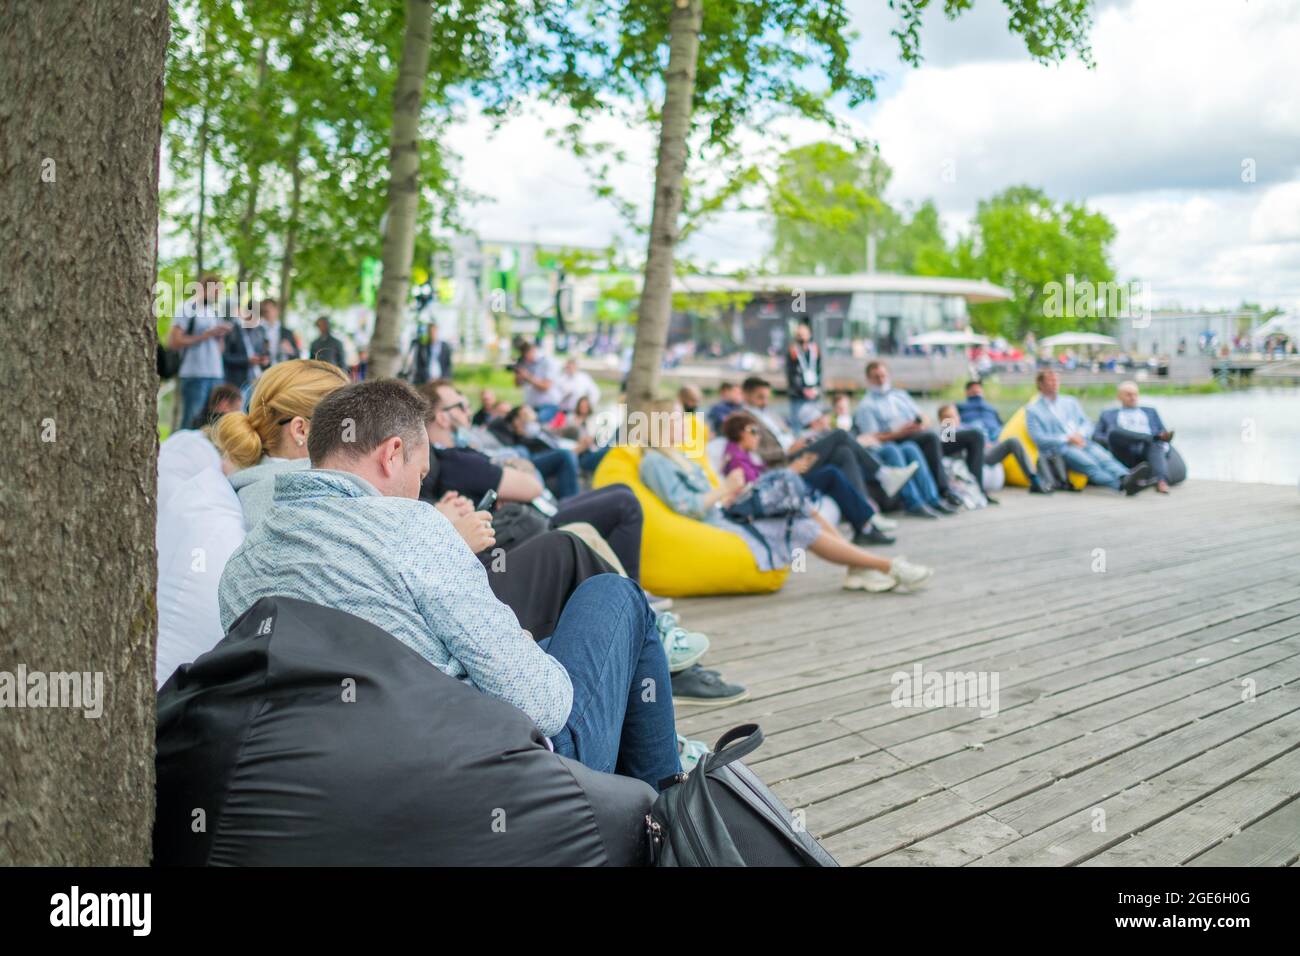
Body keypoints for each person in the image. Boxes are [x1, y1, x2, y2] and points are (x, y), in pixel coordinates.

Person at [218, 379, 683, 789]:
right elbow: (544, 706)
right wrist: (523, 653)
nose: (420, 490)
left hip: (340, 781)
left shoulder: (241, 566)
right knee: (616, 598)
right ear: (391, 453)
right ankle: (669, 822)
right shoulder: (411, 526)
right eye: (421, 475)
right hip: (485, 783)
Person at [420, 380, 746, 708]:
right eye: (460, 406)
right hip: (522, 530)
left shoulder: (456, 457)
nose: (468, 410)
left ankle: (650, 630)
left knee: (590, 522)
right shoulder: (453, 461)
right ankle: (649, 634)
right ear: (441, 418)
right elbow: (530, 487)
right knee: (581, 531)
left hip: (522, 526)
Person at [640, 400, 931, 594]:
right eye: (678, 419)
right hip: (721, 524)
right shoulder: (655, 462)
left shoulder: (680, 457)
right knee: (800, 522)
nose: (685, 424)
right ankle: (886, 566)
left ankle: (860, 565)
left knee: (801, 506)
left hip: (729, 510)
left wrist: (727, 492)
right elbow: (687, 507)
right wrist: (725, 489)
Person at [742, 376, 919, 515]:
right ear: (746, 395)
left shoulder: (771, 415)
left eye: (766, 397)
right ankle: (883, 474)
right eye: (759, 397)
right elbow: (755, 452)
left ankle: (867, 512)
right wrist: (786, 450)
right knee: (840, 435)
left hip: (798, 449)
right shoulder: (744, 419)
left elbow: (786, 436)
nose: (765, 401)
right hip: (786, 460)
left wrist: (801, 440)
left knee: (843, 452)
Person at [722, 410, 894, 546]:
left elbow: (762, 476)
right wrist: (789, 471)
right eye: (753, 431)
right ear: (739, 433)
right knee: (839, 440)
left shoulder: (745, 454)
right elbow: (753, 490)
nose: (758, 436)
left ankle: (864, 526)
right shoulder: (736, 458)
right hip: (781, 490)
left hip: (784, 481)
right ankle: (866, 521)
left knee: (839, 459)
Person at [853, 360, 967, 514]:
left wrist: (921, 424)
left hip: (924, 434)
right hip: (894, 440)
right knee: (930, 438)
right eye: (876, 377)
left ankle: (934, 497)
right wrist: (900, 432)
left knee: (972, 435)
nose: (881, 380)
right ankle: (932, 495)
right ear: (869, 380)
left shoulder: (900, 395)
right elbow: (870, 437)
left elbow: (924, 416)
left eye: (883, 376)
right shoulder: (867, 405)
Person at [1026, 370, 1151, 495]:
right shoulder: (1033, 410)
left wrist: (1080, 434)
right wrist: (1067, 438)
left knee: (1106, 459)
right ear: (1041, 384)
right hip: (1061, 448)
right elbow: (1038, 438)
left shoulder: (1070, 402)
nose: (1055, 383)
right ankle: (1121, 485)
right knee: (1090, 465)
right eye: (1051, 380)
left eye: (1057, 380)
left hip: (1083, 441)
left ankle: (1128, 477)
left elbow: (1086, 423)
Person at [954, 380, 1047, 494]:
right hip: (971, 450)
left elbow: (1003, 429)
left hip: (990, 449)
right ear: (967, 392)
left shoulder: (991, 410)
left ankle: (1034, 480)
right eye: (973, 390)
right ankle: (978, 491)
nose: (976, 391)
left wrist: (995, 441)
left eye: (978, 389)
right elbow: (946, 435)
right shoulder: (956, 411)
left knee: (1013, 440)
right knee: (975, 434)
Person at [169, 272, 235, 429]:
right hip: (194, 375)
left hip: (216, 374)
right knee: (191, 421)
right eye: (216, 291)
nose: (219, 295)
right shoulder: (187, 307)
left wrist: (219, 335)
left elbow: (220, 349)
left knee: (213, 423)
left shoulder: (212, 311)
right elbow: (174, 341)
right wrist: (204, 336)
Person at [1094, 381, 1179, 494]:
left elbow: (1162, 433)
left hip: (1147, 450)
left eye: (1135, 394)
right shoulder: (1108, 414)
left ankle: (1161, 482)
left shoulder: (1150, 411)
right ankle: (1150, 438)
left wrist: (1158, 440)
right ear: (1119, 397)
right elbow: (1096, 436)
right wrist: (1110, 441)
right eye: (1128, 394)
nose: (1133, 397)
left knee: (1156, 442)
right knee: (1114, 431)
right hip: (1124, 450)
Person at [488, 404, 582, 500]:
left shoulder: (539, 427)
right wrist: (519, 428)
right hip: (533, 458)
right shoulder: (514, 430)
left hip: (555, 449)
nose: (530, 414)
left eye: (530, 411)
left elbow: (553, 408)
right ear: (516, 420)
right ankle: (572, 502)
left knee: (572, 453)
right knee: (566, 455)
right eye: (525, 413)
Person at [514, 341, 564, 422]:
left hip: (548, 405)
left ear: (533, 350)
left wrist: (527, 376)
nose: (525, 357)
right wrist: (518, 374)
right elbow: (517, 385)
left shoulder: (547, 362)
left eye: (526, 353)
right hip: (530, 404)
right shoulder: (524, 363)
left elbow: (546, 386)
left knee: (537, 423)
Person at [785, 321, 822, 430]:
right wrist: (801, 390)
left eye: (804, 334)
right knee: (797, 425)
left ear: (809, 334)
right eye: (799, 334)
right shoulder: (793, 350)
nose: (801, 337)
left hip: (814, 393)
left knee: (816, 423)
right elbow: (791, 374)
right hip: (798, 395)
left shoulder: (815, 349)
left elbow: (819, 370)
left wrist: (817, 388)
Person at [256, 298, 299, 366]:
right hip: (265, 371)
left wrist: (291, 350)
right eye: (265, 311)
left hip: (284, 370)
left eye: (270, 310)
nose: (268, 313)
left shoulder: (287, 333)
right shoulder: (257, 332)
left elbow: (297, 356)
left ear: (277, 311)